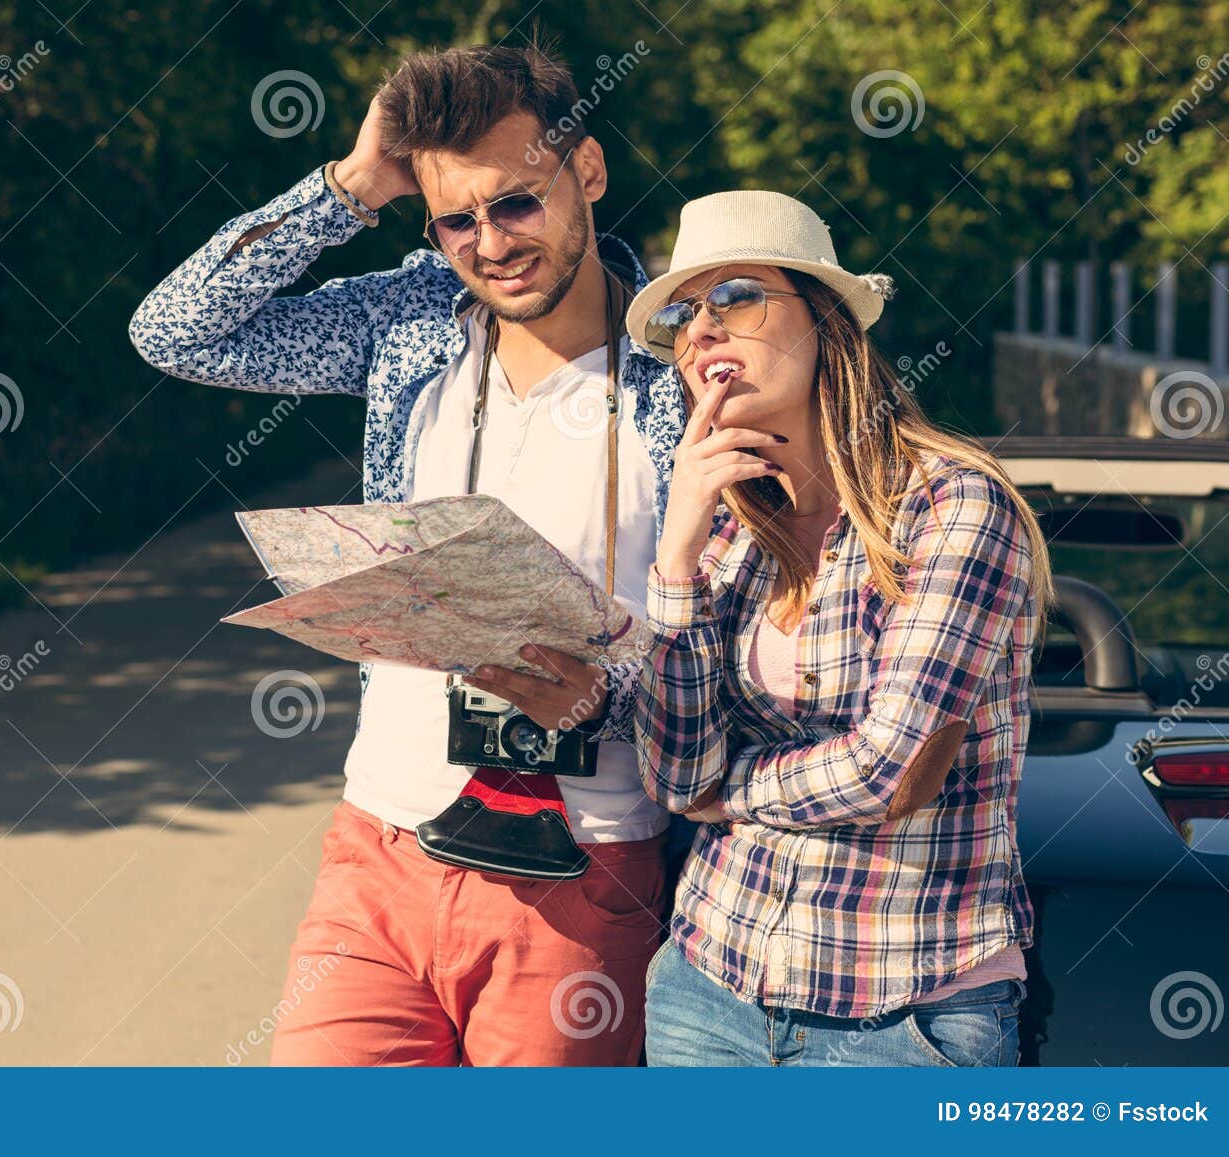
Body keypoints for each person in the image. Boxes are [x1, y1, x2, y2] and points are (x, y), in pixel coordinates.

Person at [128, 43, 690, 1065]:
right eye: (456, 218)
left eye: (516, 202)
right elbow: (177, 333)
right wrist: (350, 187)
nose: (491, 242)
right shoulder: (410, 322)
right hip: (382, 842)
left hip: (585, 865)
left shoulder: (687, 368)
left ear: (589, 172)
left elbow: (747, 636)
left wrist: (613, 699)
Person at [628, 189, 1057, 1066]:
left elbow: (889, 770)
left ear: (826, 322)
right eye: (681, 313)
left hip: (901, 1013)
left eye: (737, 297)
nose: (701, 329)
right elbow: (675, 774)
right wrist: (674, 557)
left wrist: (730, 795)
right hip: (706, 988)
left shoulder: (950, 506)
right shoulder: (720, 530)